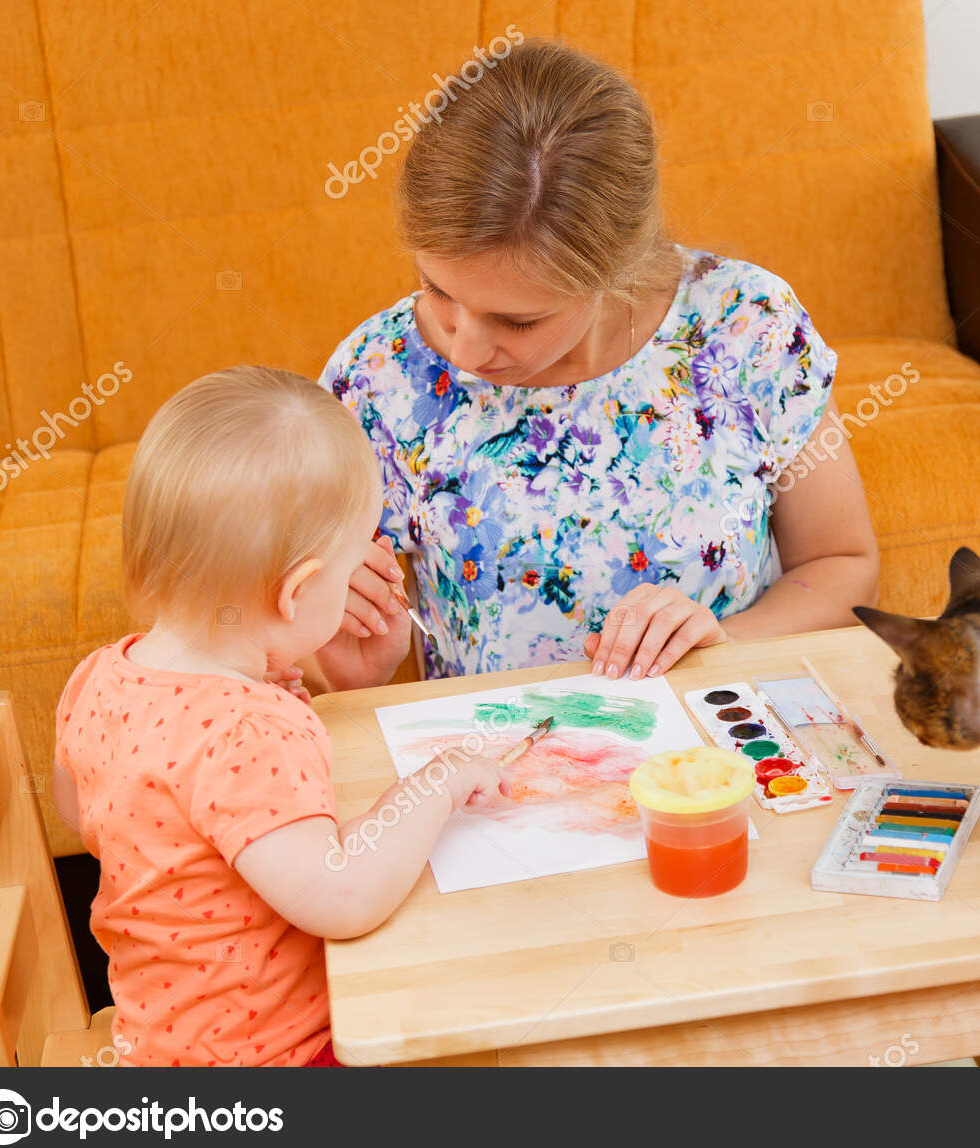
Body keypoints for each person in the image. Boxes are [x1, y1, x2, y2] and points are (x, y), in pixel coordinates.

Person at [313, 38, 878, 692]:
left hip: (712, 757)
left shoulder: (742, 326)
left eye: (516, 321)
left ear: (615, 270)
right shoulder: (375, 379)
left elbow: (842, 560)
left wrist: (723, 642)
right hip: (499, 773)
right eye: (437, 290)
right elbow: (328, 640)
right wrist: (361, 672)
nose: (464, 350)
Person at [52, 367, 503, 1065]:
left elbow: (79, 807)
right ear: (296, 593)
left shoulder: (102, 674)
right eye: (357, 557)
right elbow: (345, 895)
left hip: (155, 1041)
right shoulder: (250, 729)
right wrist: (436, 783)